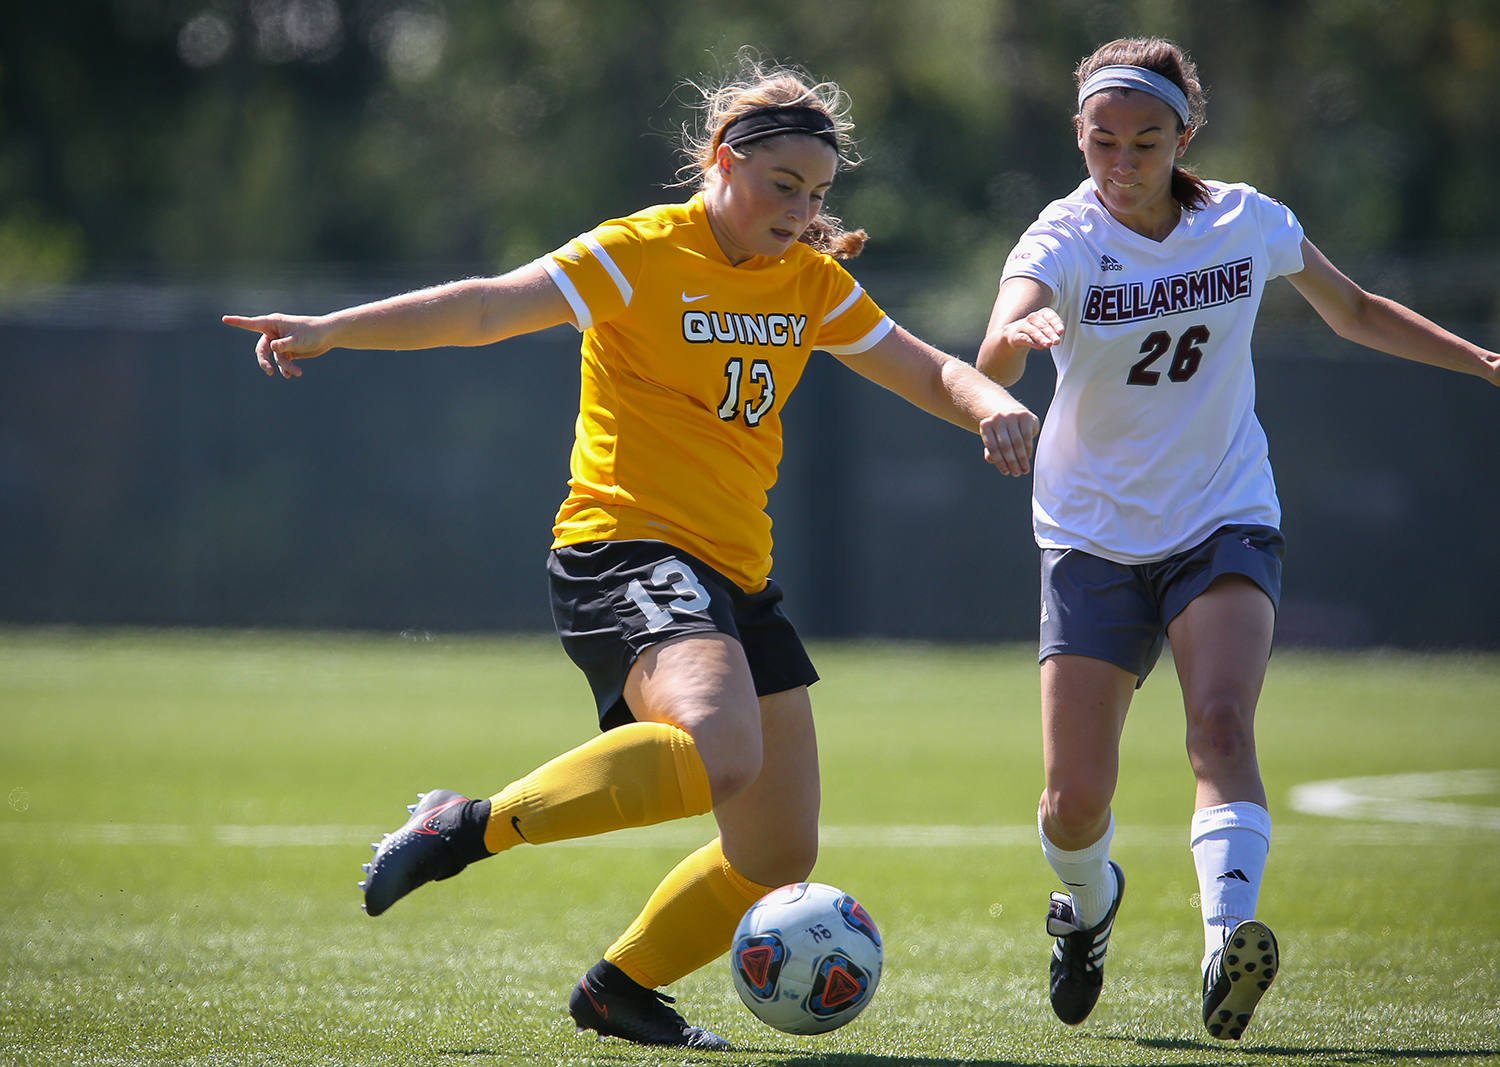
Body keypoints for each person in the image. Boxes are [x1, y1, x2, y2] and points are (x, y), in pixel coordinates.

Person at [226, 56, 1039, 1050]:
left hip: (734, 573)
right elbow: (488, 303)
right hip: (625, 546)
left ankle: (620, 985)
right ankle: (463, 823)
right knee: (719, 745)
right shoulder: (642, 252)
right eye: (783, 186)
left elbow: (930, 370)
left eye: (817, 194)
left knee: (776, 851)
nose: (799, 210)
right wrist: (333, 330)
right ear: (720, 160)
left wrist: (992, 400)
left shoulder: (811, 282)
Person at [976, 36, 1499, 1042]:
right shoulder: (1064, 235)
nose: (1122, 164)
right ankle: (1085, 907)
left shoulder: (1245, 220)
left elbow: (1350, 310)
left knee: (1220, 724)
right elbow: (1004, 326)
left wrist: (1479, 357)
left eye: (1146, 141)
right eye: (1102, 143)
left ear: (1186, 133)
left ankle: (1226, 941)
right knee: (1073, 799)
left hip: (1223, 514)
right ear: (1078, 139)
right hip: (1090, 534)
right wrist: (1017, 337)